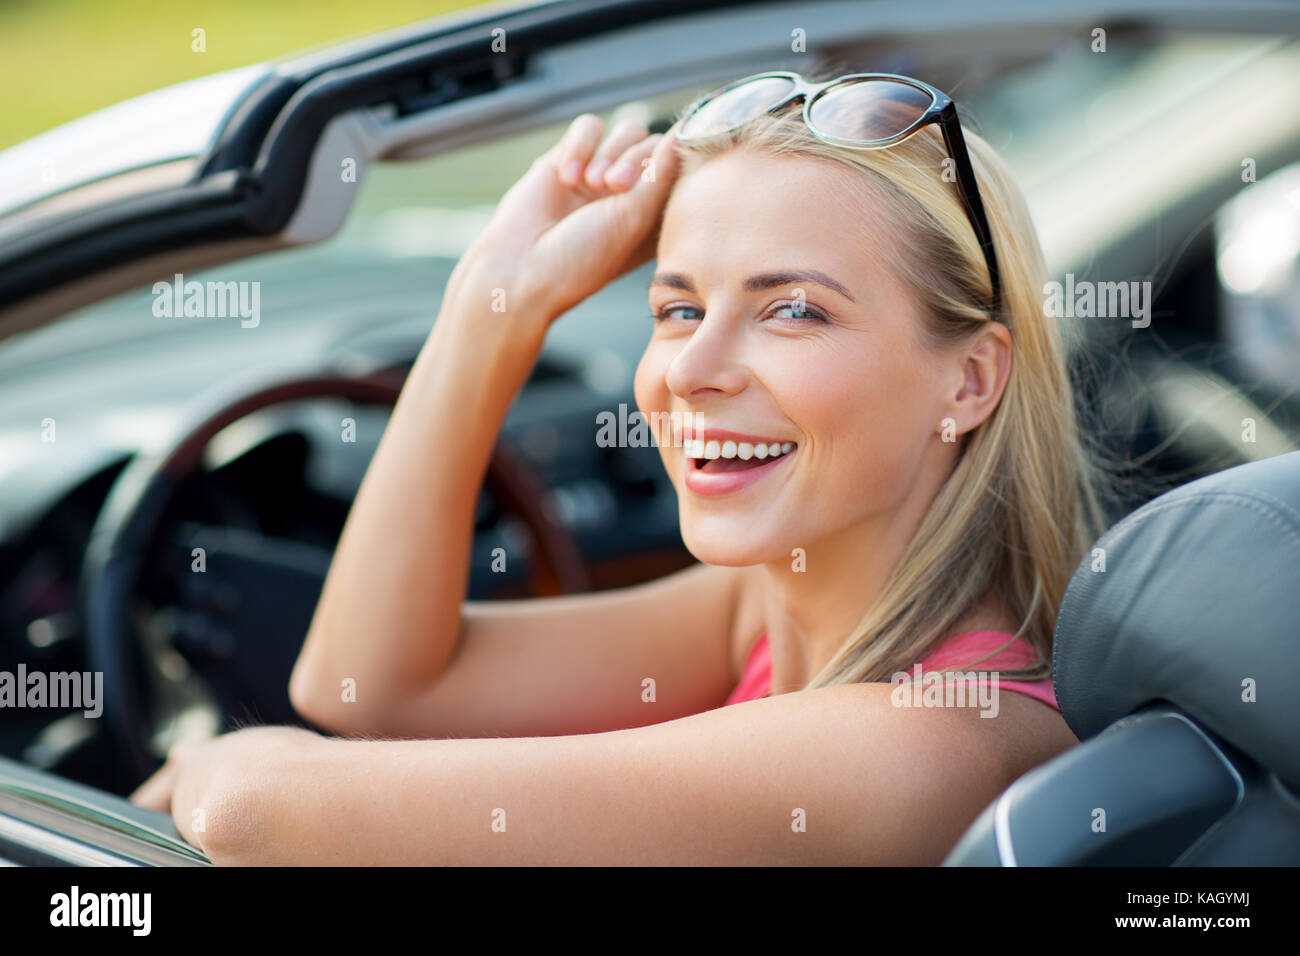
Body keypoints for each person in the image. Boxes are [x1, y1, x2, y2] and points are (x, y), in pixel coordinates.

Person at [131, 71, 1106, 865]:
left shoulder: (932, 744)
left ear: (970, 378)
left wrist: (212, 754)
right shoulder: (765, 609)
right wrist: (495, 301)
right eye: (678, 307)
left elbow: (258, 813)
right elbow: (363, 686)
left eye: (792, 309)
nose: (688, 369)